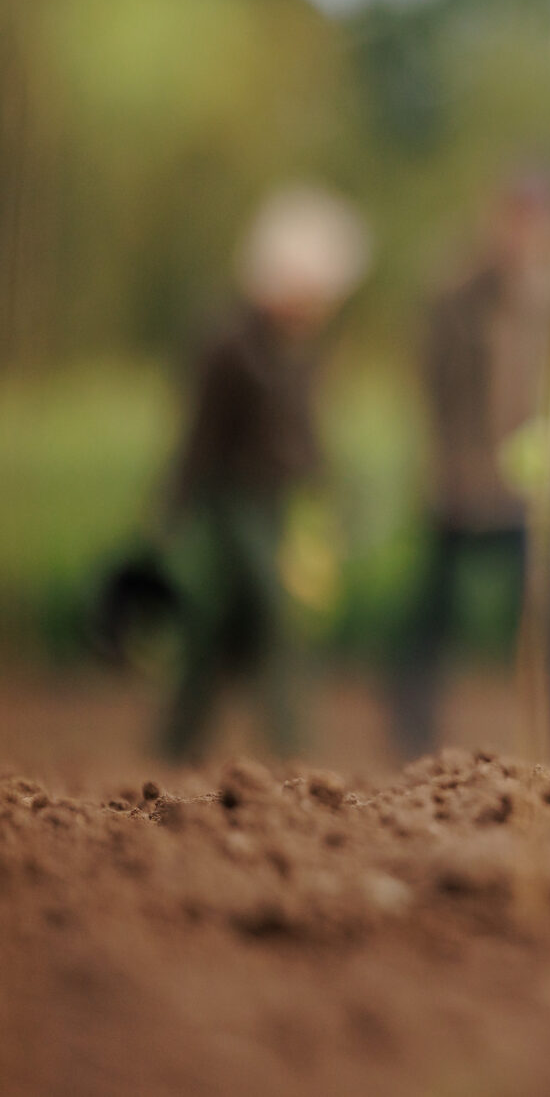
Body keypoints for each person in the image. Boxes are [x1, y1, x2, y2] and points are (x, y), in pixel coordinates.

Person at [157, 183, 369, 762]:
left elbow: (306, 431)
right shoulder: (227, 343)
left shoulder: (301, 348)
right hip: (233, 500)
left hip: (284, 502)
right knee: (277, 614)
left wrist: (327, 492)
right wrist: (169, 512)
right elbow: (198, 434)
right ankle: (293, 755)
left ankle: (175, 743)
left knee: (224, 628)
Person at [387, 174, 550, 759]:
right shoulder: (454, 292)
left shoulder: (547, 295)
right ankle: (412, 726)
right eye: (518, 218)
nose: (527, 233)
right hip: (460, 478)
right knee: (434, 611)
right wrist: (442, 467)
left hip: (519, 483)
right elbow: (432, 385)